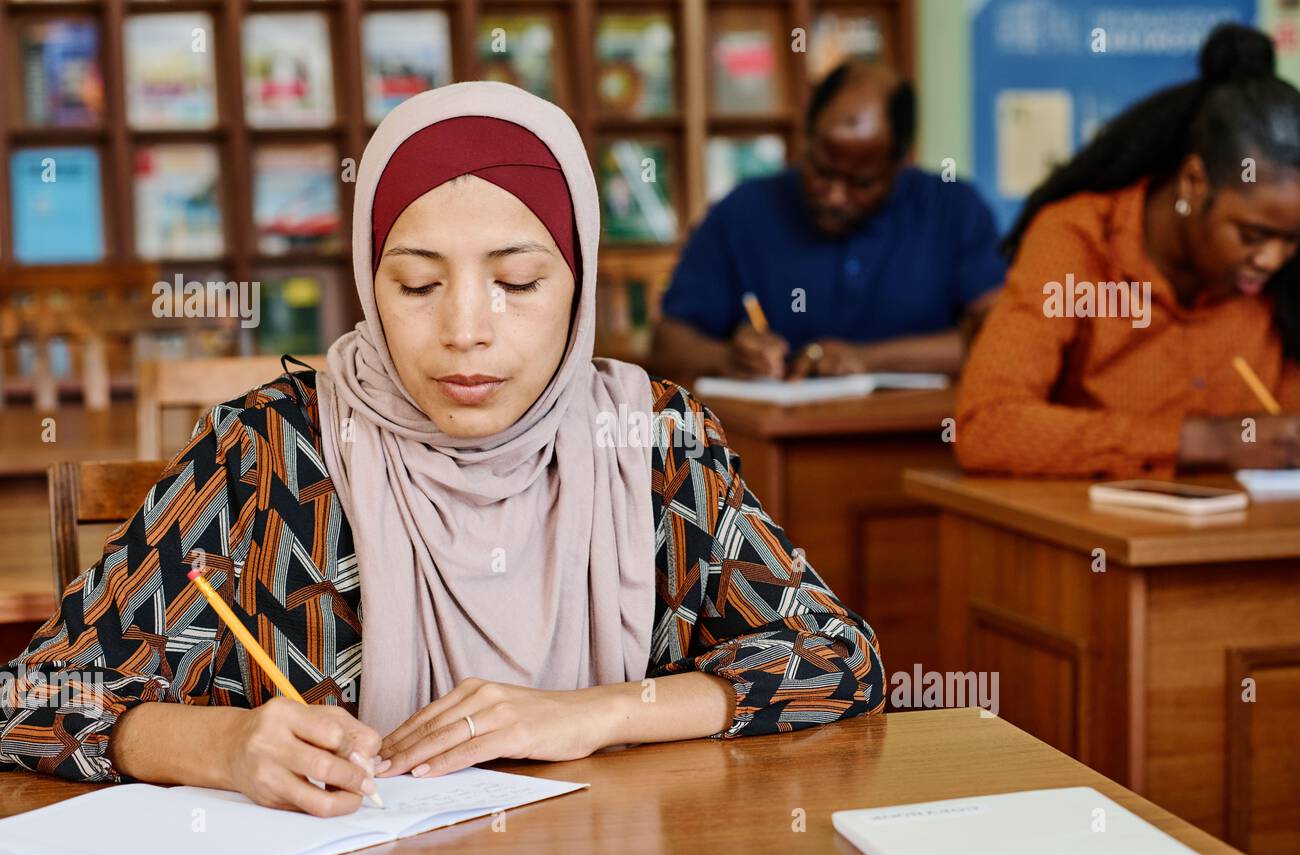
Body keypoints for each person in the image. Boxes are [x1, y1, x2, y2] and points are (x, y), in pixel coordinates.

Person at [0, 82, 885, 817]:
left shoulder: (652, 439)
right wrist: (223, 746)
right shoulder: (270, 447)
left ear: (577, 286)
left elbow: (838, 657)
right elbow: (35, 698)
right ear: (366, 284)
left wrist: (596, 715)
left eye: (518, 282)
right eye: (418, 283)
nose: (466, 330)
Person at [957, 24, 1300, 478]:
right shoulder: (1078, 240)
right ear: (1195, 184)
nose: (1272, 260)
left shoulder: (1287, 277)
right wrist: (1203, 440)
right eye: (1253, 236)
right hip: (1097, 538)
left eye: (1291, 239)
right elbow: (987, 427)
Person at [650, 59, 1005, 385]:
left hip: (925, 441)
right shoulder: (742, 212)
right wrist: (728, 359)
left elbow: (999, 337)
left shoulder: (954, 209)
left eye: (861, 182)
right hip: (777, 443)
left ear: (900, 163)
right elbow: (668, 345)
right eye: (821, 171)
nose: (835, 196)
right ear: (807, 141)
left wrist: (868, 360)